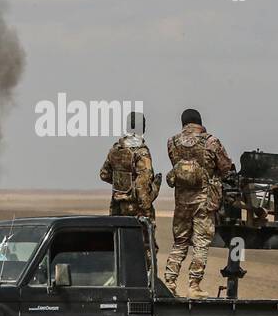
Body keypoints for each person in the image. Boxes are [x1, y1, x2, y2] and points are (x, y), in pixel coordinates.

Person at [163, 109, 234, 298]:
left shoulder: (172, 142)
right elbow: (226, 167)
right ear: (199, 122)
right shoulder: (211, 142)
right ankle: (194, 286)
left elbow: (176, 166)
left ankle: (169, 283)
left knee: (179, 243)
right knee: (201, 244)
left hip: (182, 202)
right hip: (205, 202)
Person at [99, 111, 160, 225]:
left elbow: (104, 174)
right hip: (137, 209)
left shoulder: (116, 149)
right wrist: (146, 210)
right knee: (143, 242)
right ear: (142, 128)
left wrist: (122, 185)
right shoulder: (141, 152)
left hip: (117, 207)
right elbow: (142, 185)